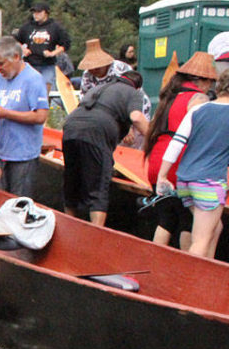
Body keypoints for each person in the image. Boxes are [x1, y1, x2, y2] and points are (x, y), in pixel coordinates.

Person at [61, 41, 150, 226]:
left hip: (71, 126)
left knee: (72, 178)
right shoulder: (133, 93)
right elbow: (136, 117)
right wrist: (154, 138)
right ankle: (96, 232)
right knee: (99, 184)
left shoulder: (98, 87)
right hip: (97, 130)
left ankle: (68, 224)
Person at [142, 52, 216, 250]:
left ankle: (155, 259)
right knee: (187, 220)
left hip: (158, 159)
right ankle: (186, 264)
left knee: (166, 217)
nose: (211, 87)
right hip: (178, 161)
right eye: (210, 82)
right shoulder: (198, 98)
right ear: (201, 80)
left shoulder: (170, 96)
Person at [155, 68, 229, 258]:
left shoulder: (198, 108)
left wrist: (162, 175)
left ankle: (206, 276)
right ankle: (189, 284)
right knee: (200, 240)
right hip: (210, 182)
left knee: (215, 227)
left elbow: (177, 143)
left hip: (185, 180)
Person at [0, 35, 49, 197]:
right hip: (0, 151)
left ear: (16, 57)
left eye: (1, 63)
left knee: (19, 203)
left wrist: (6, 113)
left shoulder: (34, 79)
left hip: (24, 155)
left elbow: (40, 116)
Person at [12, 2, 71, 82]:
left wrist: (52, 53)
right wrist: (23, 49)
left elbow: (65, 44)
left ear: (46, 13)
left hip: (47, 65)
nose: (36, 15)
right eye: (34, 12)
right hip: (30, 64)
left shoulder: (55, 27)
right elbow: (15, 40)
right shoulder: (27, 27)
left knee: (47, 86)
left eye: (39, 12)